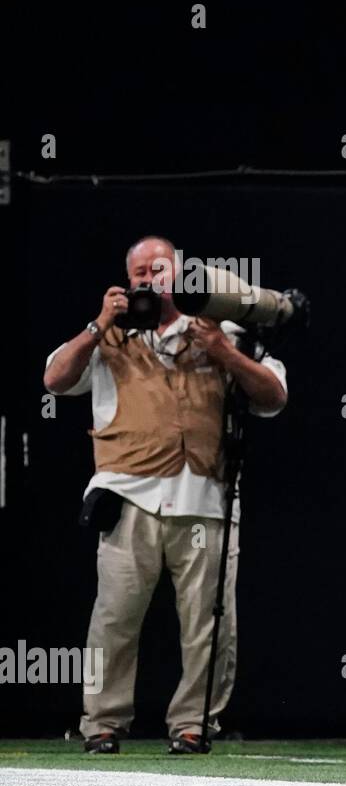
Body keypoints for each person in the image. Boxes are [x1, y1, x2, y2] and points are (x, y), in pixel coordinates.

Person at [43, 236, 288, 754]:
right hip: (128, 496)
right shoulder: (109, 336)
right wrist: (97, 325)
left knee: (209, 624)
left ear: (181, 274)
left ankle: (195, 722)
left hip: (204, 497)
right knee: (114, 617)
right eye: (139, 272)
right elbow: (55, 379)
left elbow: (273, 397)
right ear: (127, 280)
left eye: (159, 269)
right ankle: (102, 722)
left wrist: (223, 353)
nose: (149, 279)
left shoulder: (222, 330)